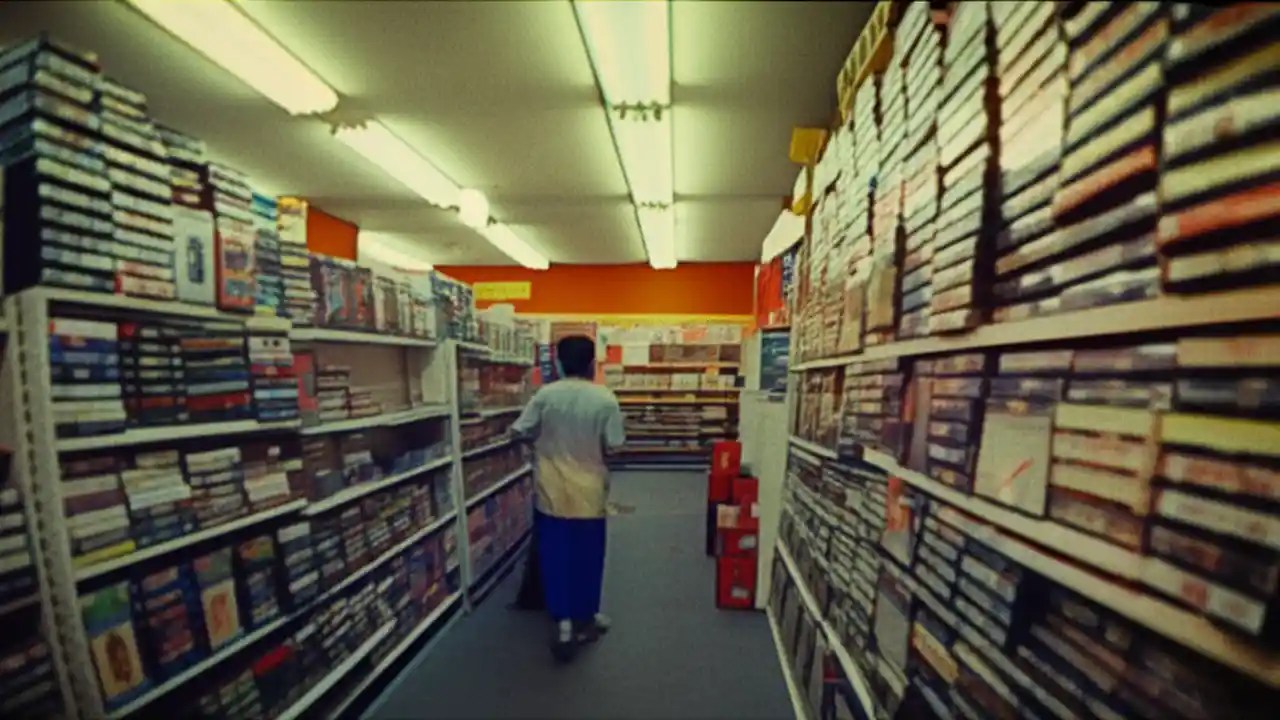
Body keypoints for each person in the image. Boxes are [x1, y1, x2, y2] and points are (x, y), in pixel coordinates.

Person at [511, 334, 625, 662]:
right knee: (589, 556)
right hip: (590, 491)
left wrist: (537, 444)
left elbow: (519, 430)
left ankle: (562, 621)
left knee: (556, 555)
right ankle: (587, 617)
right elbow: (615, 446)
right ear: (592, 362)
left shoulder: (546, 395)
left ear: (559, 362)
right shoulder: (605, 398)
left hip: (551, 489)